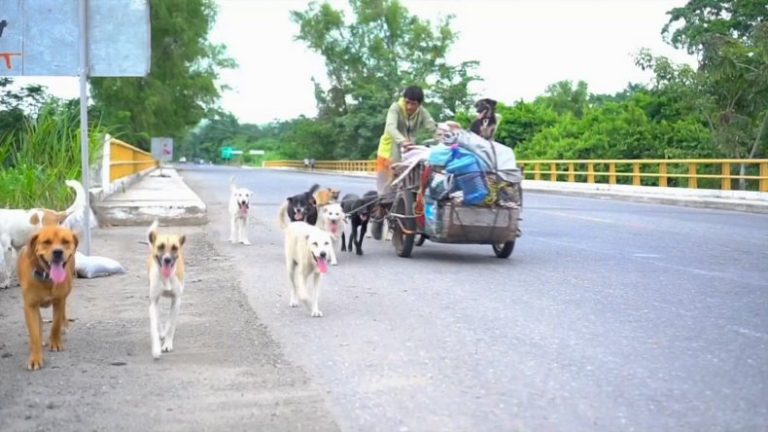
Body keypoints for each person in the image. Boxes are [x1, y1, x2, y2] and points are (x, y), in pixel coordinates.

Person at [375, 85, 437, 201]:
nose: (409, 106)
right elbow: (390, 127)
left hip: (408, 152)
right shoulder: (395, 108)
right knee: (385, 191)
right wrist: (402, 140)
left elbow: (432, 127)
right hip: (389, 152)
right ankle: (380, 212)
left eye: (413, 104)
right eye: (407, 102)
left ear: (419, 104)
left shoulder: (422, 112)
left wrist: (444, 137)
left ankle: (405, 208)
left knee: (410, 185)